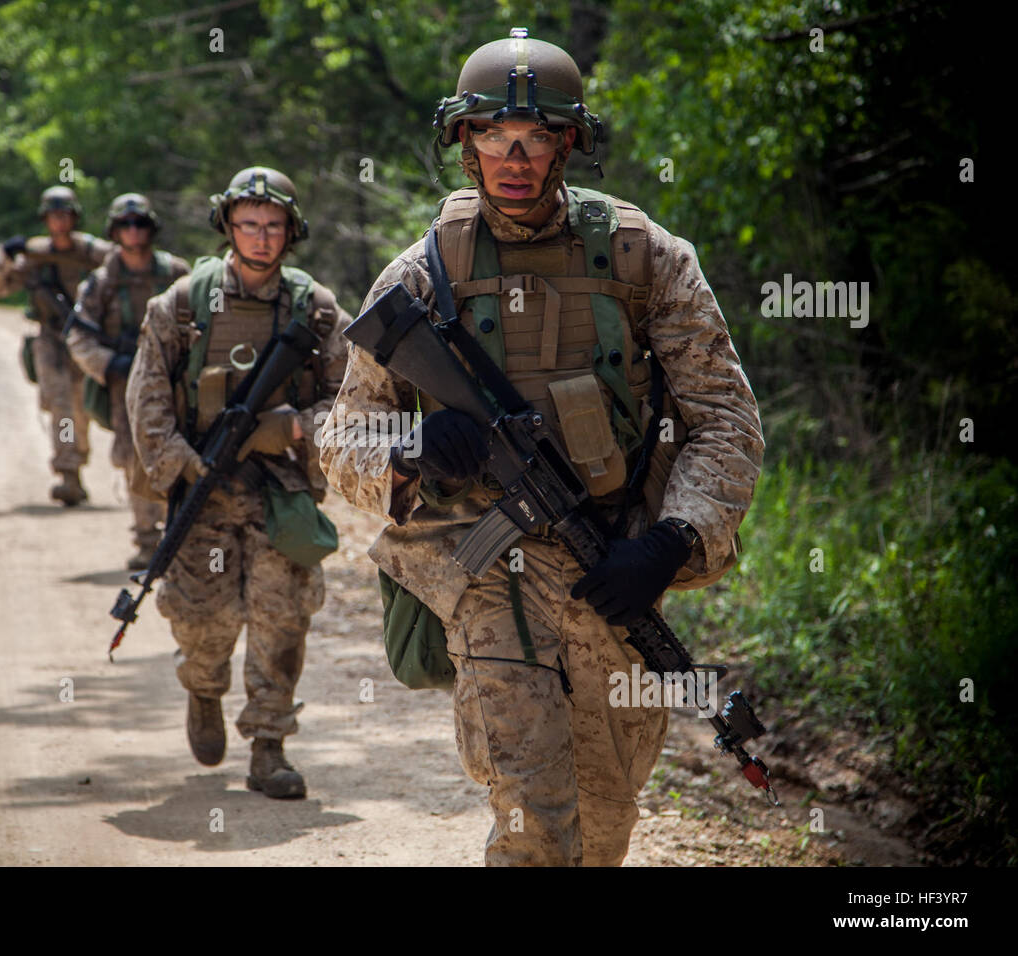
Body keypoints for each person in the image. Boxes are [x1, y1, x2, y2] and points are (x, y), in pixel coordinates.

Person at [318, 30, 765, 865]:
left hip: (615, 557)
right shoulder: (420, 275)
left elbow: (726, 421)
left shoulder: (647, 259)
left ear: (569, 144)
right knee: (534, 819)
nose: (513, 159)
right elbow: (341, 435)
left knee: (605, 821)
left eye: (535, 138)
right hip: (486, 572)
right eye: (492, 136)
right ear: (464, 145)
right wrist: (412, 449)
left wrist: (673, 540)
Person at [126, 167, 353, 798]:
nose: (261, 237)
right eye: (249, 224)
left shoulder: (318, 309)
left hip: (284, 494)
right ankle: (203, 687)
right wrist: (184, 463)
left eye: (273, 226)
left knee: (282, 621)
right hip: (203, 491)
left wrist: (293, 429)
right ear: (228, 226)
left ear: (291, 232)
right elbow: (147, 399)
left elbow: (354, 400)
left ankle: (270, 745)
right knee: (203, 621)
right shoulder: (181, 304)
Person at [65, 193, 189, 568]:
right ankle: (148, 539)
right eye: (125, 226)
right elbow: (79, 337)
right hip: (126, 386)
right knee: (136, 456)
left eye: (140, 225)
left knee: (184, 451)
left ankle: (181, 533)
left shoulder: (176, 273)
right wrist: (110, 364)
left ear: (151, 229)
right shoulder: (101, 282)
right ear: (115, 232)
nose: (133, 233)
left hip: (179, 380)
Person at [0, 185, 111, 505]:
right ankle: (69, 474)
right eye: (53, 216)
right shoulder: (34, 256)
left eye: (65, 214)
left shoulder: (91, 252)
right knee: (61, 406)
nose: (60, 222)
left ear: (75, 217)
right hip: (50, 340)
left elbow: (125, 260)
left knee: (81, 410)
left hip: (85, 340)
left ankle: (76, 461)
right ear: (45, 219)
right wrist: (4, 256)